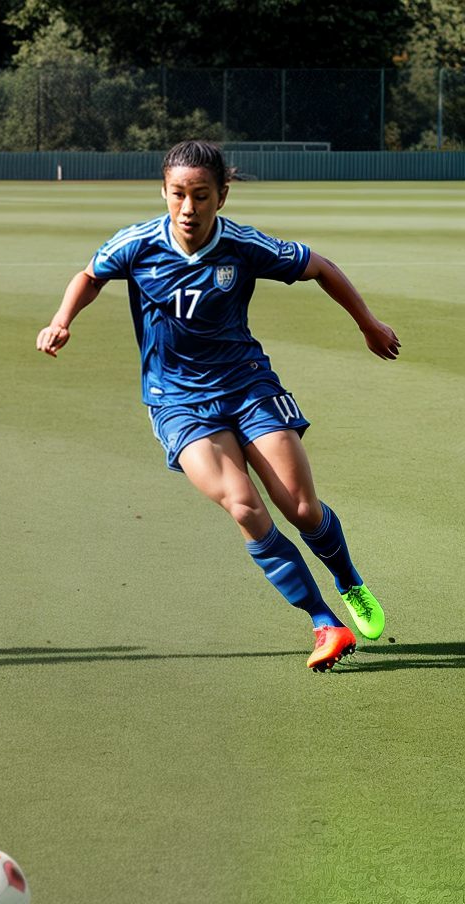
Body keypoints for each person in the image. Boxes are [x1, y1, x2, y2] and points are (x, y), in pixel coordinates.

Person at [36, 139, 400, 672]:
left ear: (222, 195)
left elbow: (319, 266)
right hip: (177, 401)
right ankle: (325, 621)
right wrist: (62, 319)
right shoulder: (137, 243)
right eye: (178, 194)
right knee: (244, 506)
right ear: (164, 192)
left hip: (248, 386)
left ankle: (349, 581)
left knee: (302, 509)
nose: (188, 208)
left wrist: (368, 324)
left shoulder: (242, 245)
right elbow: (91, 275)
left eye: (201, 195)